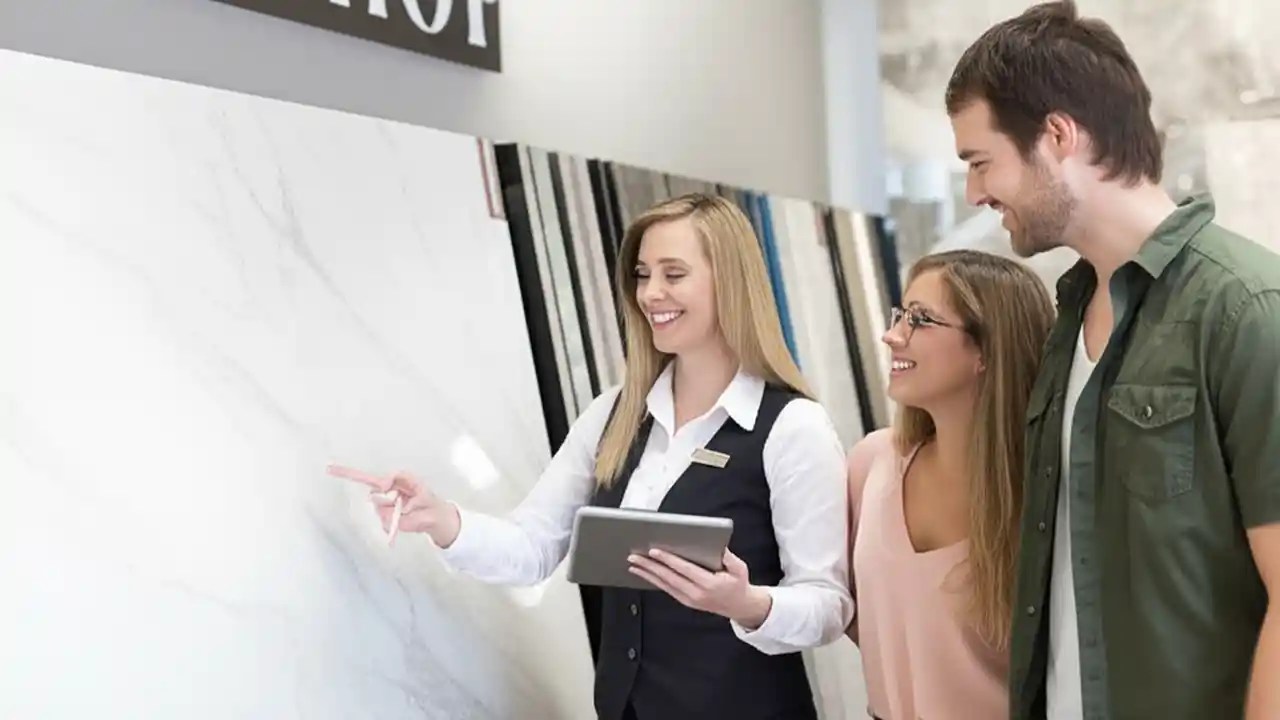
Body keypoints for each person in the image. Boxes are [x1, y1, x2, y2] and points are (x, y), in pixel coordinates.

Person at [331, 193, 853, 720]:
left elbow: (828, 605)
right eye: (642, 274)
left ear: (731, 283)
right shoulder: (614, 414)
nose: (650, 293)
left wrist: (749, 605)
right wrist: (442, 519)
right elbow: (533, 547)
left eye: (674, 274)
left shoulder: (792, 427)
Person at [945, 2, 1280, 718]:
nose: (974, 193)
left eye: (980, 162)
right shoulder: (1064, 321)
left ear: (1058, 135)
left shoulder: (1246, 310)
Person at [845, 250, 1055, 720]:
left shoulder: (1044, 495)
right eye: (900, 315)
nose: (892, 335)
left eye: (920, 320)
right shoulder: (871, 465)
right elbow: (858, 613)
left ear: (986, 351)